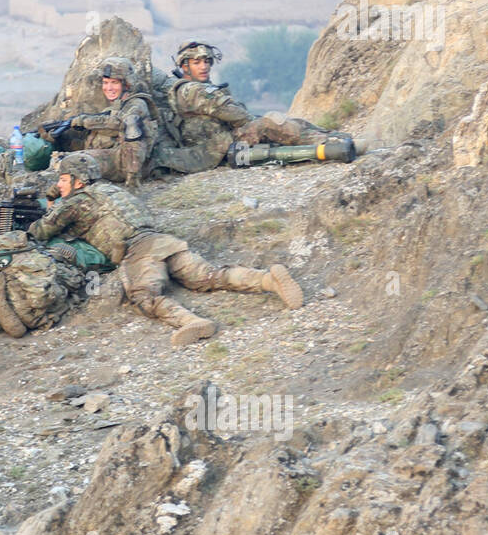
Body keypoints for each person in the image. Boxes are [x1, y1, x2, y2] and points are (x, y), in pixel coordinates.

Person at [26, 152, 305, 346]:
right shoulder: (113, 190)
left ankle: (191, 321)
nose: (58, 185)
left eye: (62, 179)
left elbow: (40, 231)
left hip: (139, 251)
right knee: (209, 275)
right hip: (163, 241)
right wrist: (59, 195)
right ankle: (267, 279)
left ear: (78, 180)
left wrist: (52, 203)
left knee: (144, 297)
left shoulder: (76, 202)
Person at [152, 40, 352, 174]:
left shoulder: (197, 88)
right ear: (184, 66)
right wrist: (256, 124)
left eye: (206, 61)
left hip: (223, 140)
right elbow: (236, 115)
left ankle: (330, 136)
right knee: (268, 123)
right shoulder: (191, 91)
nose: (204, 66)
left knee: (291, 122)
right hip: (215, 147)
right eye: (197, 62)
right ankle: (330, 143)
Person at [51, 56, 159, 188]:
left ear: (126, 84)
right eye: (106, 82)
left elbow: (118, 123)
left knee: (76, 163)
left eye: (114, 83)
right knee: (66, 159)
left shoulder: (137, 104)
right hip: (113, 157)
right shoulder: (116, 106)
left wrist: (84, 121)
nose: (109, 88)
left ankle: (133, 184)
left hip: (127, 163)